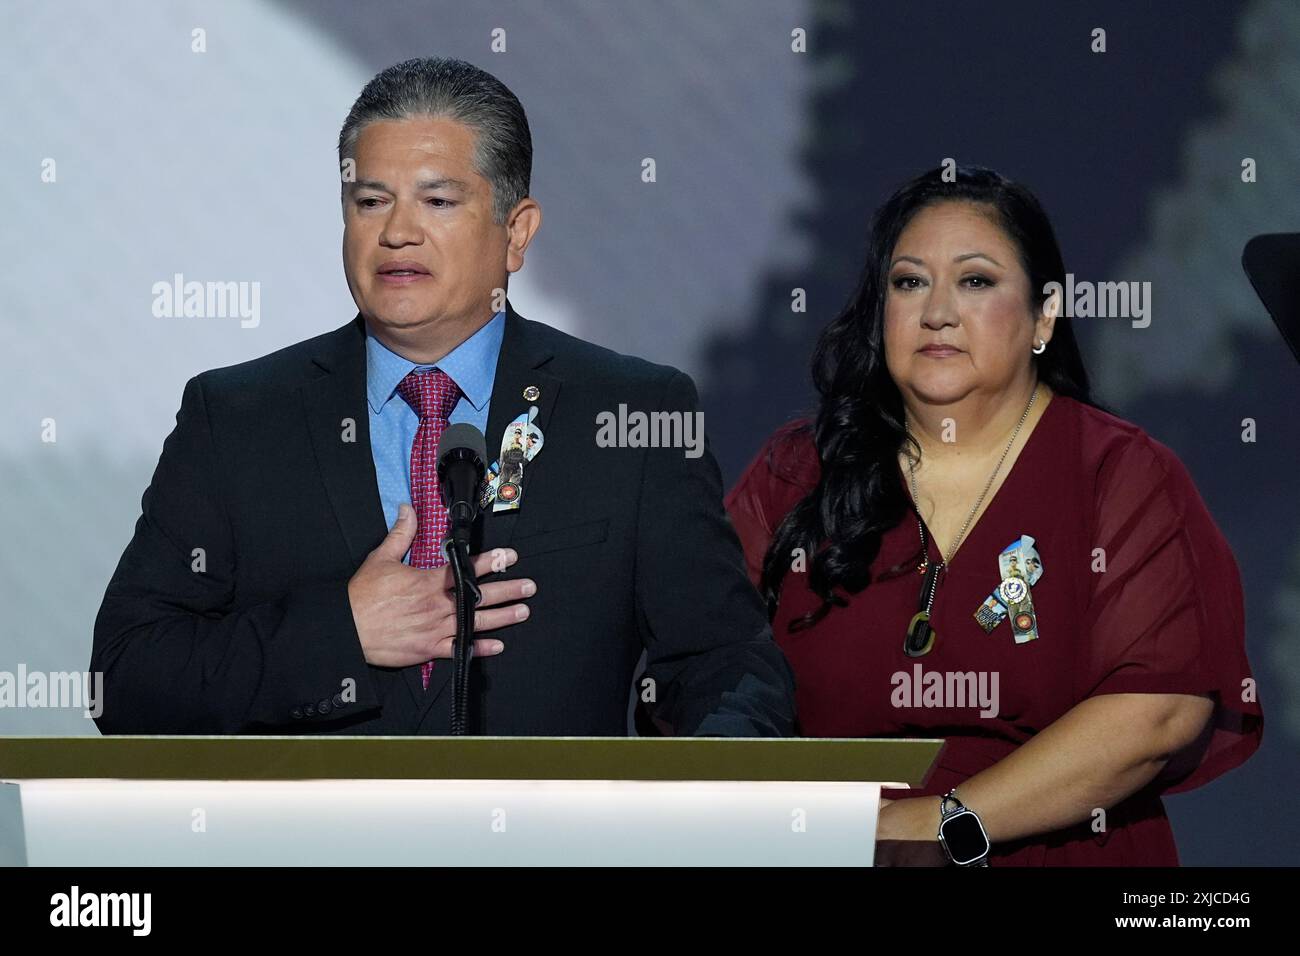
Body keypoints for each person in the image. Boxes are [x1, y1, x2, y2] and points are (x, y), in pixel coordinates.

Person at [92, 57, 794, 737]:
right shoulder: (238, 418)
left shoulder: (633, 411)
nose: (396, 231)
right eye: (370, 201)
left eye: (437, 199)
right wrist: (341, 632)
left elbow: (723, 663)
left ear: (515, 233)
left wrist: (722, 786)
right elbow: (125, 679)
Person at [726, 166, 1263, 864]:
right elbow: (702, 668)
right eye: (909, 282)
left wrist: (937, 825)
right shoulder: (795, 472)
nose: (937, 311)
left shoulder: (1120, 473)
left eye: (976, 281)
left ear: (1043, 315)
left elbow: (1158, 711)